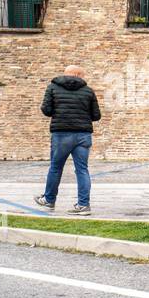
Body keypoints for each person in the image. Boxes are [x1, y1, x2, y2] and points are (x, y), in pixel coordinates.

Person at [33, 64, 99, 216]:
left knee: (56, 168)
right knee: (82, 169)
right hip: (83, 135)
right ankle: (83, 205)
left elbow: (46, 110)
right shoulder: (88, 91)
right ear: (77, 74)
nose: (84, 78)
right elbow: (96, 116)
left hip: (61, 134)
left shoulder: (52, 88)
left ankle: (49, 201)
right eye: (82, 75)